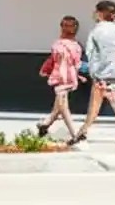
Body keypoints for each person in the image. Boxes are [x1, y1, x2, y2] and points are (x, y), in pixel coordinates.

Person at [75, 0, 115, 144]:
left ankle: (82, 132)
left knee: (94, 107)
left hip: (99, 74)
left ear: (100, 13)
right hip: (112, 72)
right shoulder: (114, 30)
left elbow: (91, 54)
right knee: (113, 101)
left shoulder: (96, 31)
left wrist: (88, 69)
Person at [36, 15, 84, 145]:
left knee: (60, 105)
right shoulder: (72, 46)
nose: (68, 28)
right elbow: (55, 60)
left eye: (70, 25)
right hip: (63, 79)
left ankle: (45, 124)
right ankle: (74, 134)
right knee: (63, 106)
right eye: (66, 25)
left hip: (65, 78)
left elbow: (73, 63)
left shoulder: (64, 45)